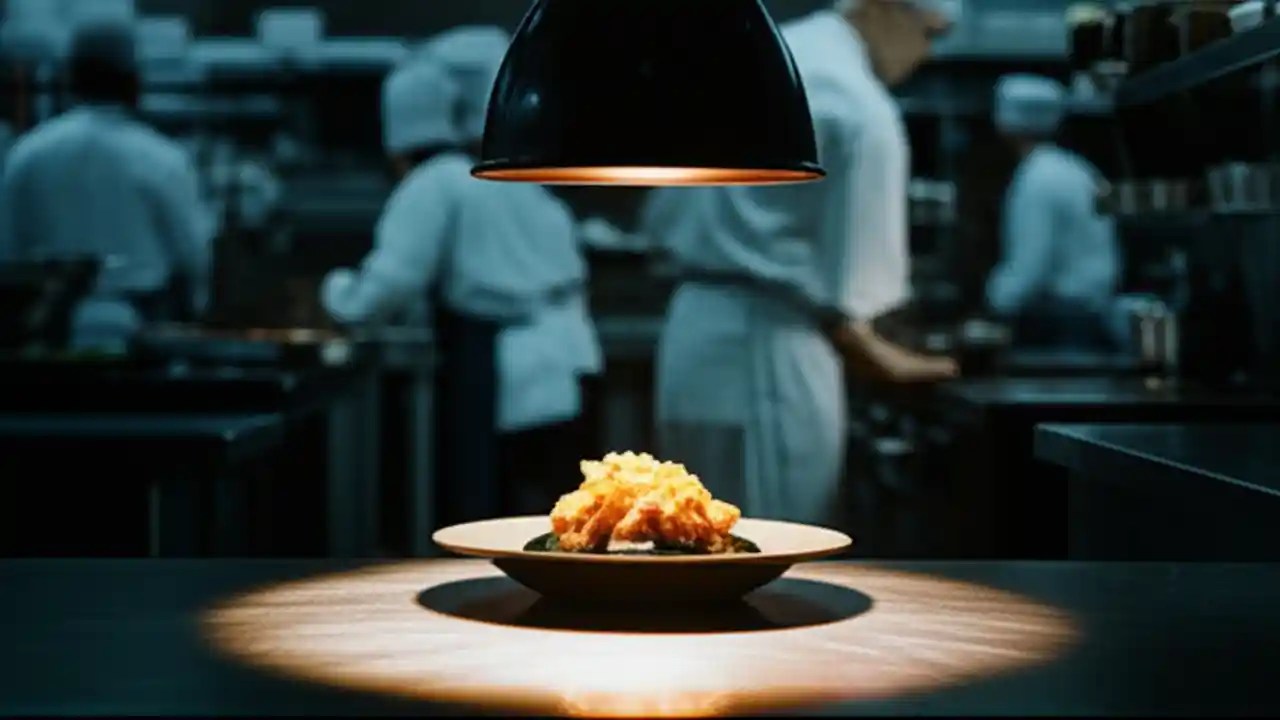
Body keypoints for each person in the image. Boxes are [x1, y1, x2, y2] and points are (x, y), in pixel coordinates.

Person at [654, 0, 959, 526]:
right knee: (773, 548)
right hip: (771, 353)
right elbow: (845, 303)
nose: (926, 55)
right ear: (887, 9)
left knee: (686, 545)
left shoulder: (759, 54)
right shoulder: (856, 102)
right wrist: (893, 360)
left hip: (691, 336)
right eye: (932, 35)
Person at [323, 29, 601, 523]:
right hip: (571, 362)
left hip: (495, 367)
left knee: (488, 518)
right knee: (555, 518)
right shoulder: (516, 182)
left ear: (396, 146)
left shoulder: (433, 183)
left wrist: (335, 295)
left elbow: (388, 285)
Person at [0, 21, 212, 347]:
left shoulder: (27, 154)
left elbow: (9, 252)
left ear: (71, 78)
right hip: (143, 326)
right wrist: (195, 313)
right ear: (134, 81)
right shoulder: (160, 157)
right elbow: (193, 255)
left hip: (49, 330)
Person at [986, 74, 1120, 350]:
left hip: (1063, 321)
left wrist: (995, 302)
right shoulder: (1078, 169)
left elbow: (1030, 264)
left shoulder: (1036, 179)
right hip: (1091, 314)